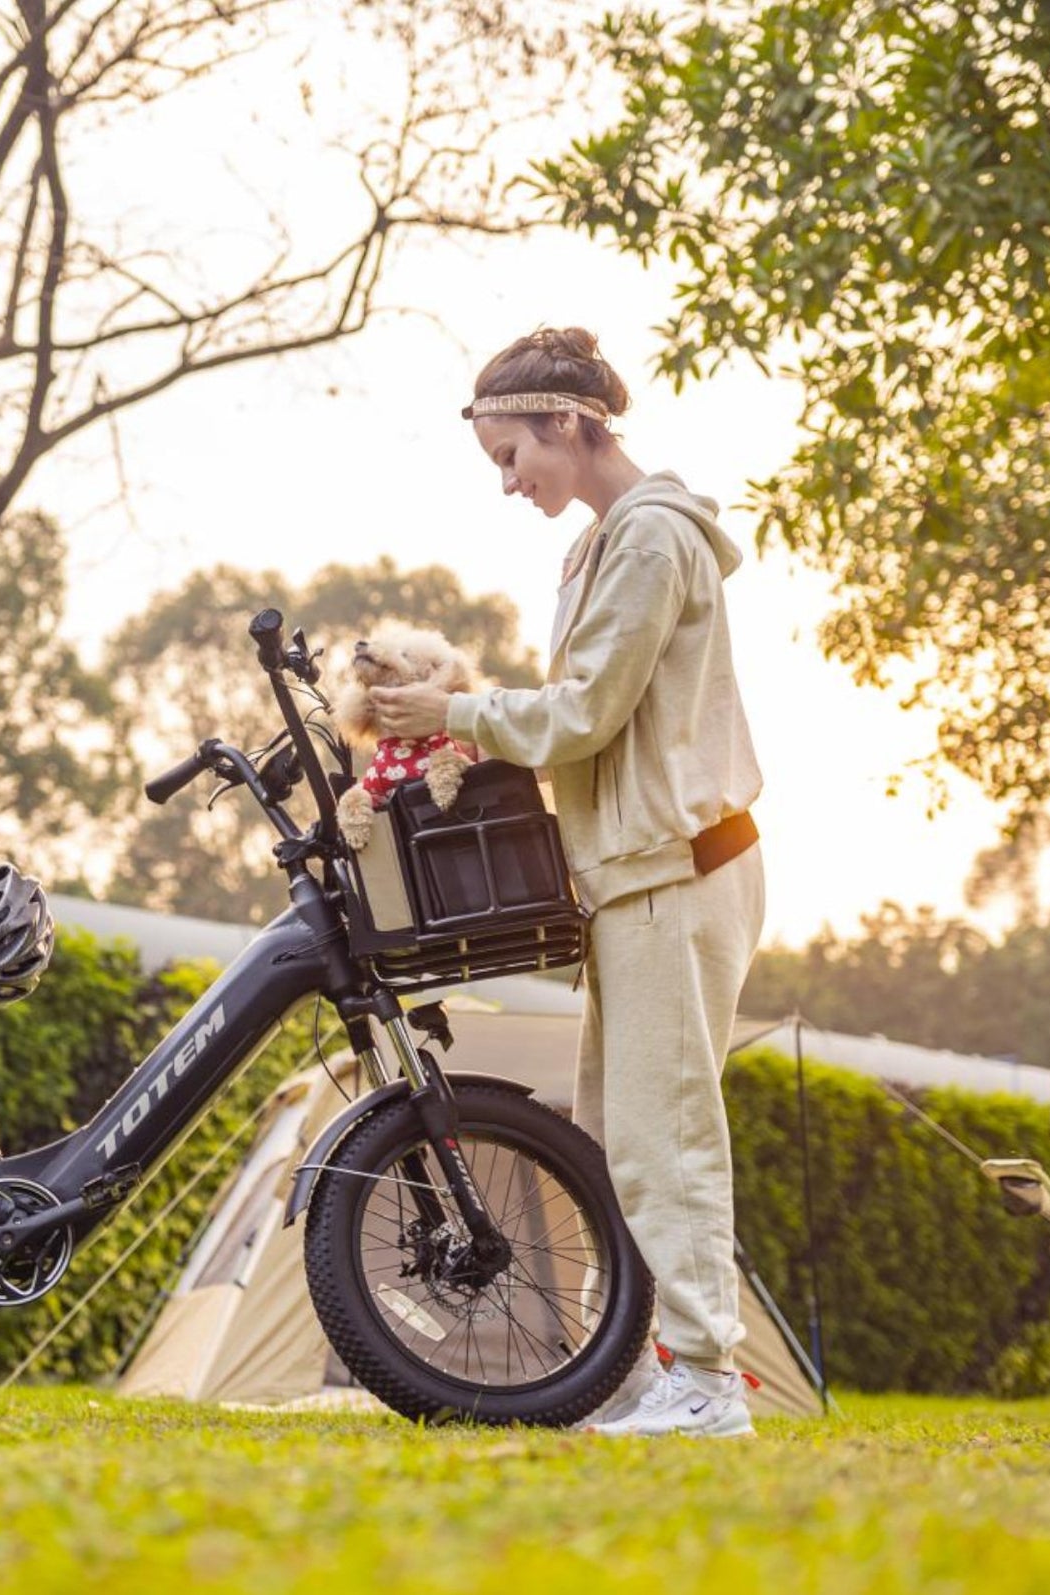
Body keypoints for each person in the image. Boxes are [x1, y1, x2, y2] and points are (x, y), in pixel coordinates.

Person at [370, 327, 766, 1439]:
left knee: (666, 1133)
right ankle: (635, 1373)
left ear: (570, 423)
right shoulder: (605, 545)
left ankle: (707, 1383)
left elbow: (585, 714)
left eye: (513, 454)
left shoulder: (648, 543)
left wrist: (453, 714)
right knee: (615, 1129)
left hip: (679, 873)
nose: (509, 482)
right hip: (637, 880)